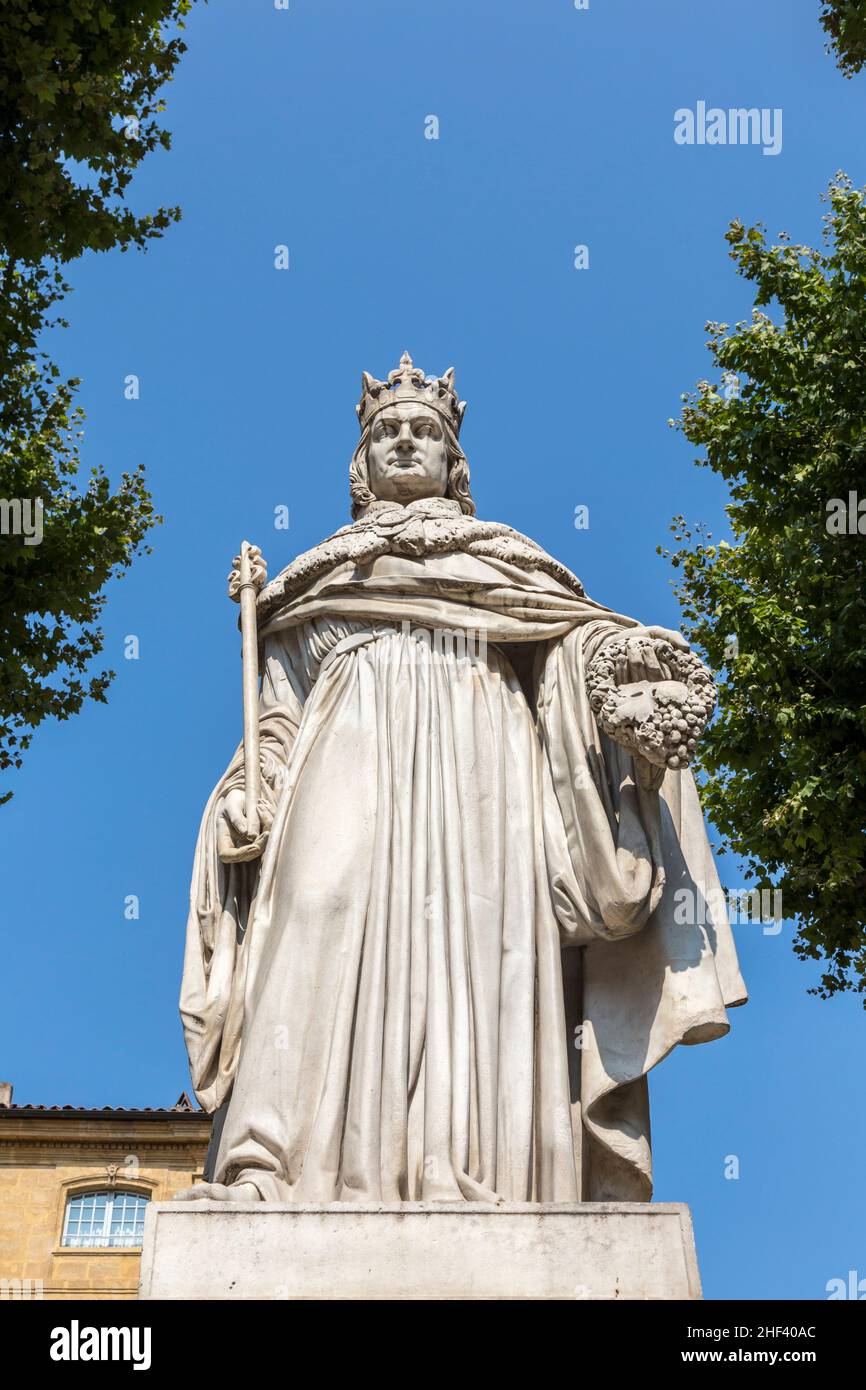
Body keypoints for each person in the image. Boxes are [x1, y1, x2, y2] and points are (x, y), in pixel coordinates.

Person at [174, 352, 746, 1205]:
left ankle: (476, 1167)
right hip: (344, 755)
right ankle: (268, 1162)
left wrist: (620, 662)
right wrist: (245, 788)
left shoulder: (509, 565)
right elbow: (278, 713)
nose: (405, 441)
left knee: (480, 947)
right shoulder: (315, 579)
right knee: (314, 909)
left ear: (454, 461)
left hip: (485, 761)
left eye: (425, 431)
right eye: (386, 433)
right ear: (362, 465)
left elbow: (569, 648)